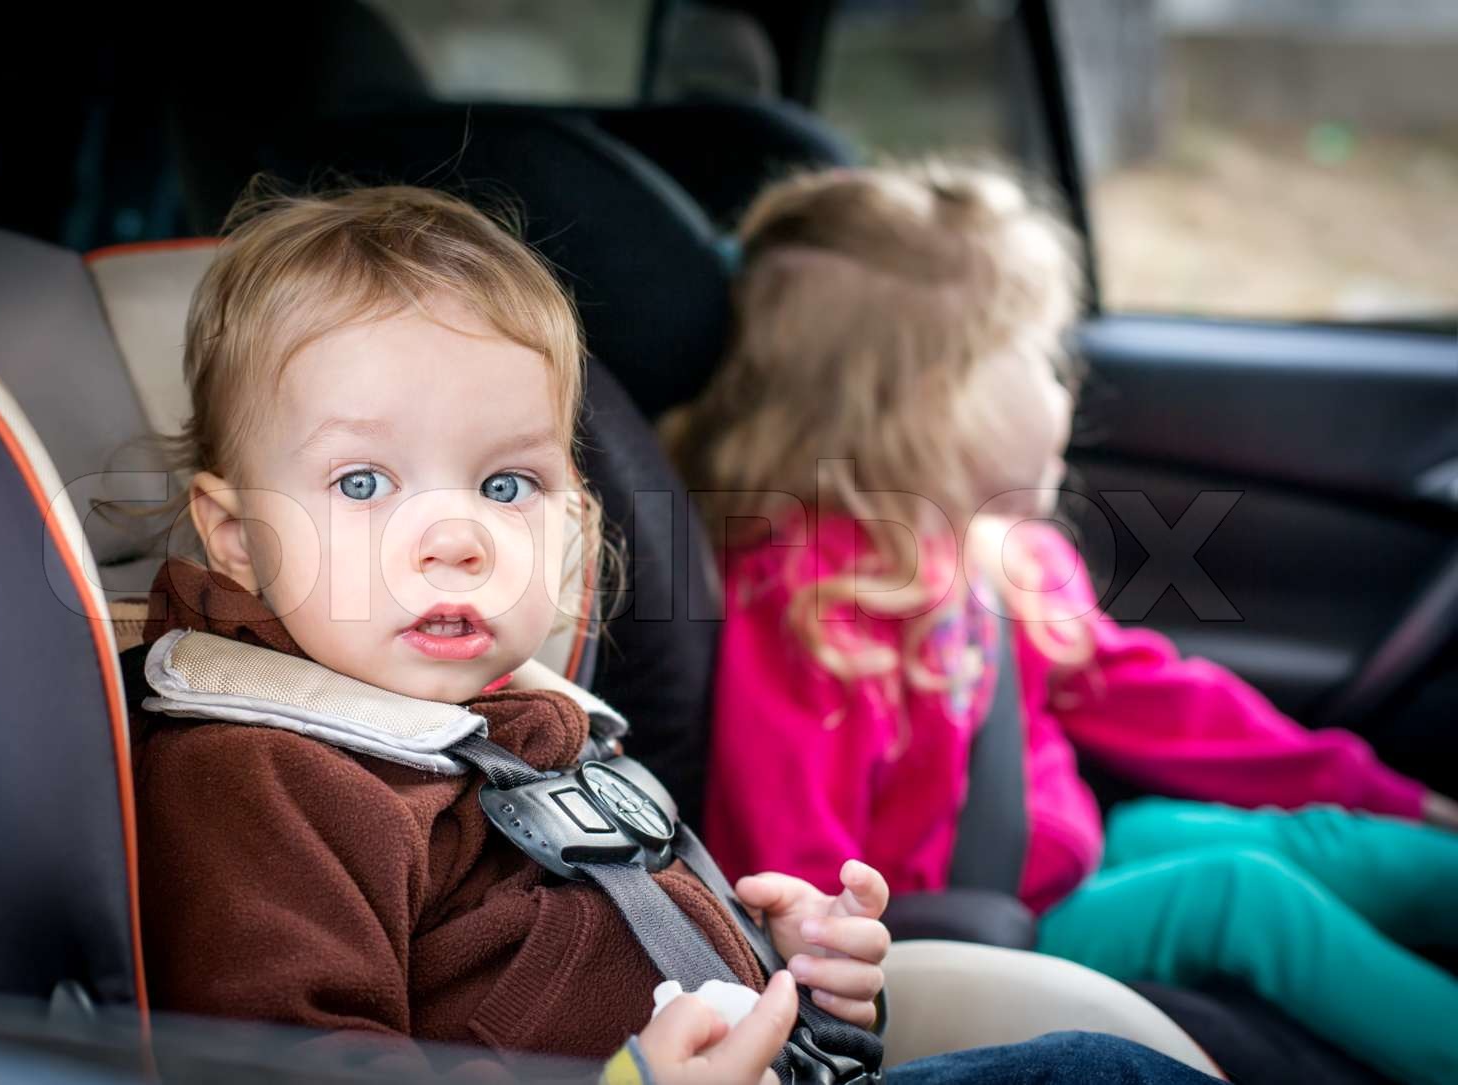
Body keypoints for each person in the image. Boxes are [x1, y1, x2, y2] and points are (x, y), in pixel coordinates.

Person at [126, 182, 1220, 1085]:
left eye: (507, 481)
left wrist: (782, 961)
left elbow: (607, 945)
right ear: (235, 536)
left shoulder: (520, 720)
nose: (452, 536)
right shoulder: (265, 776)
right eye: (363, 480)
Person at [668, 159, 1458, 1085]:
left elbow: (1159, 700)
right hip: (969, 928)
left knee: (1302, 840)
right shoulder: (810, 607)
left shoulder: (1005, 553)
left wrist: (1388, 794)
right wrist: (827, 959)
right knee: (1246, 896)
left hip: (1068, 854)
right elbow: (788, 861)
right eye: (1038, 358)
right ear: (933, 402)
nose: (1066, 385)